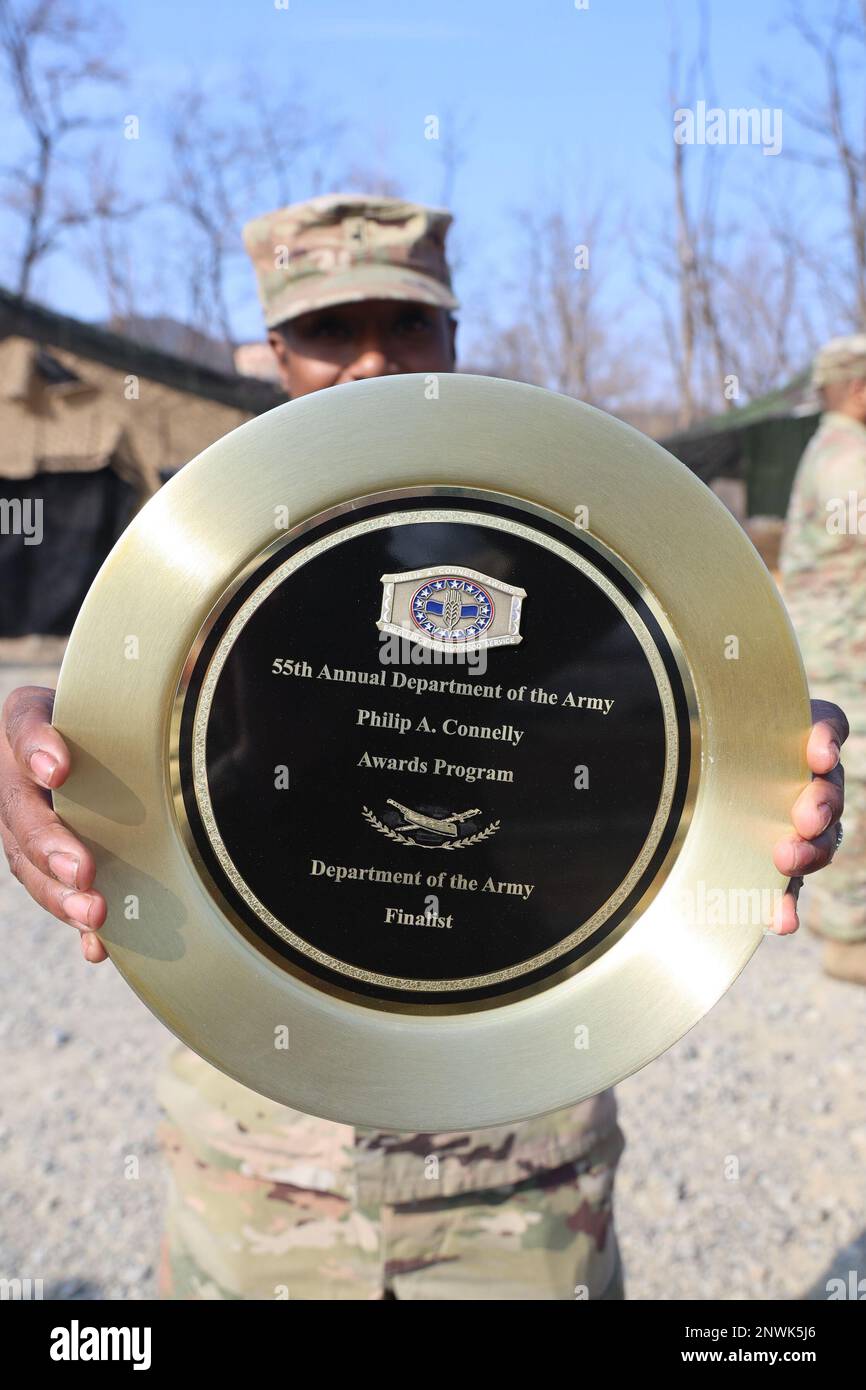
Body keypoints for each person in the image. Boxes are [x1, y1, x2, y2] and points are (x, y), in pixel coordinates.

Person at [0, 195, 849, 1300]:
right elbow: (112, 717)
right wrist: (46, 757)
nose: (366, 361)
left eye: (403, 326)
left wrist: (770, 752)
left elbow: (697, 703)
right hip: (258, 1163)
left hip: (517, 1156)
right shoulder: (205, 545)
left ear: (452, 336)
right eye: (324, 331)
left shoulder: (562, 526)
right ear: (272, 351)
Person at [780, 335, 866, 986]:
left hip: (837, 646)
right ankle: (849, 935)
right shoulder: (850, 460)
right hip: (846, 656)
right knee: (852, 787)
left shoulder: (831, 448)